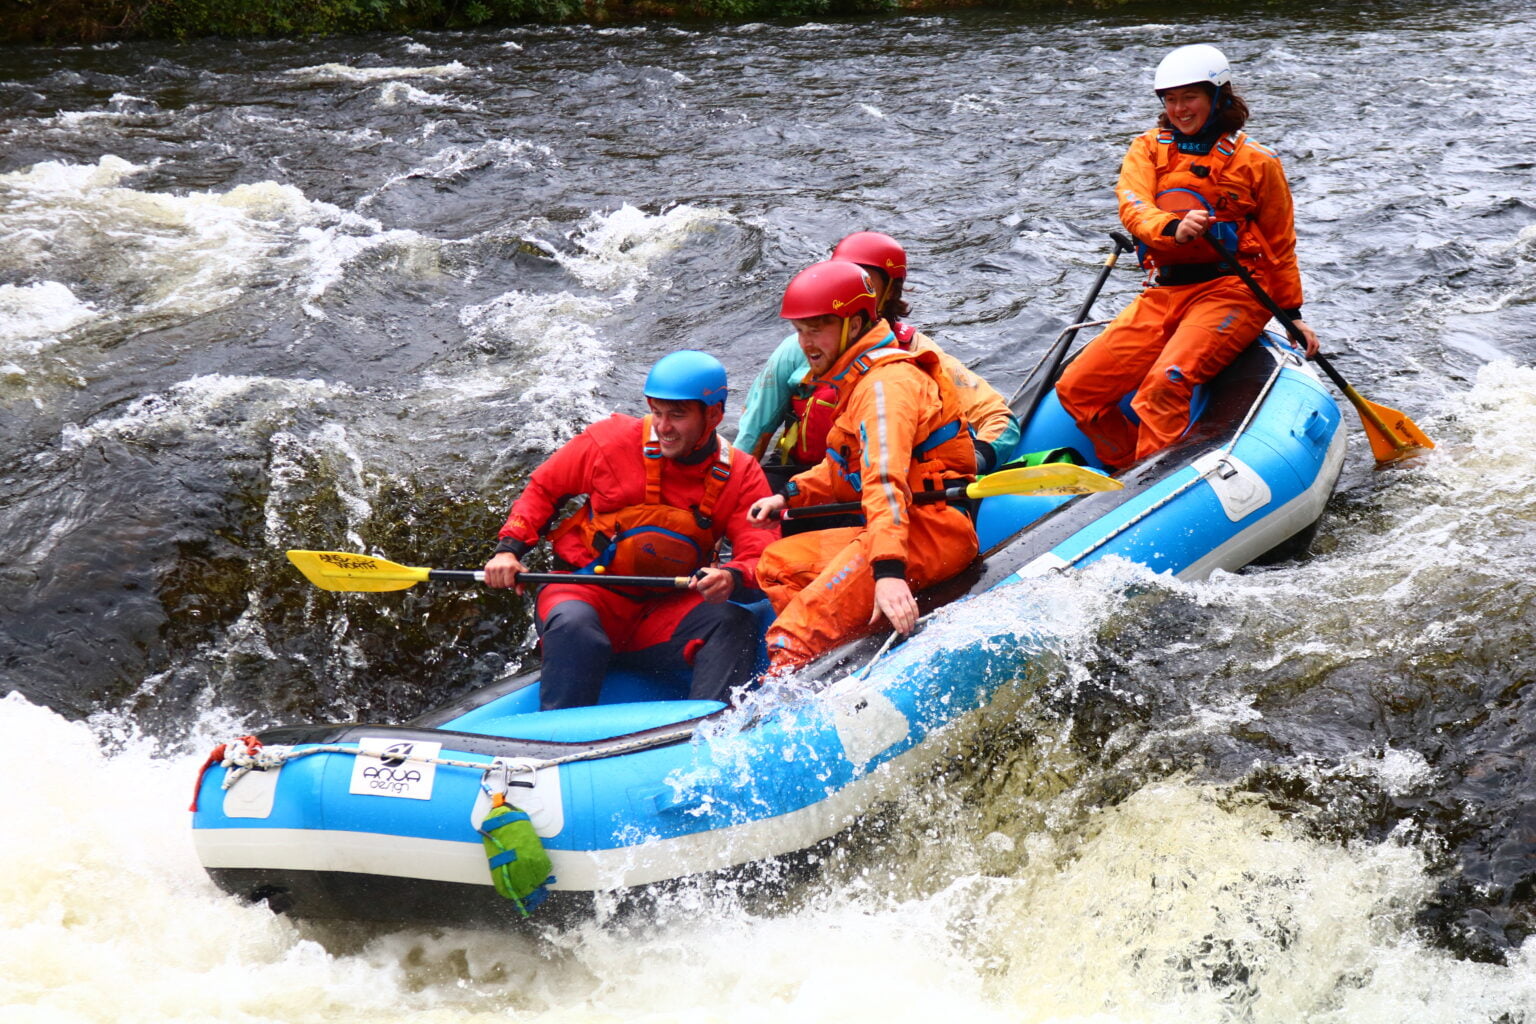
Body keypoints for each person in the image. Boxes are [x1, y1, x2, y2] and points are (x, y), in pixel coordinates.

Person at [1054, 43, 1320, 471]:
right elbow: (1133, 205)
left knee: (1162, 387)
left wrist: (1291, 311)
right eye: (1171, 99)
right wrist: (1170, 227)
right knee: (1077, 389)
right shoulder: (1146, 150)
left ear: (1219, 97)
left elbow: (1279, 241)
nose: (1179, 109)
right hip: (1163, 291)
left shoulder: (1258, 162)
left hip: (1231, 291)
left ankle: (1148, 487)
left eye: (1189, 97)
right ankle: (1127, 470)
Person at [484, 351, 777, 710]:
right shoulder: (609, 441)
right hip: (588, 593)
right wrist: (508, 550)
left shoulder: (741, 474)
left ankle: (706, 733)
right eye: (657, 412)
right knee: (573, 625)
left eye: (678, 415)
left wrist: (732, 575)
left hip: (666, 608)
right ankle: (555, 740)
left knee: (731, 622)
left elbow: (760, 551)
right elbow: (543, 490)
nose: (663, 427)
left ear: (714, 414)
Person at [746, 261, 979, 672]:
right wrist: (788, 494)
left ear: (853, 325)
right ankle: (845, 649)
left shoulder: (885, 387)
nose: (805, 343)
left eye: (816, 328)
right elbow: (844, 467)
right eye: (800, 331)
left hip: (930, 532)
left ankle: (800, 669)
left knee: (790, 636)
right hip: (902, 527)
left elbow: (884, 481)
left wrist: (888, 572)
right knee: (777, 565)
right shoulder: (859, 379)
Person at [734, 231, 1021, 478]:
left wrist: (968, 464)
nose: (849, 289)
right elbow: (751, 436)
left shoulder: (918, 354)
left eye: (864, 280)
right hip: (799, 475)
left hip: (875, 480)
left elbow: (999, 419)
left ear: (891, 290)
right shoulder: (797, 349)